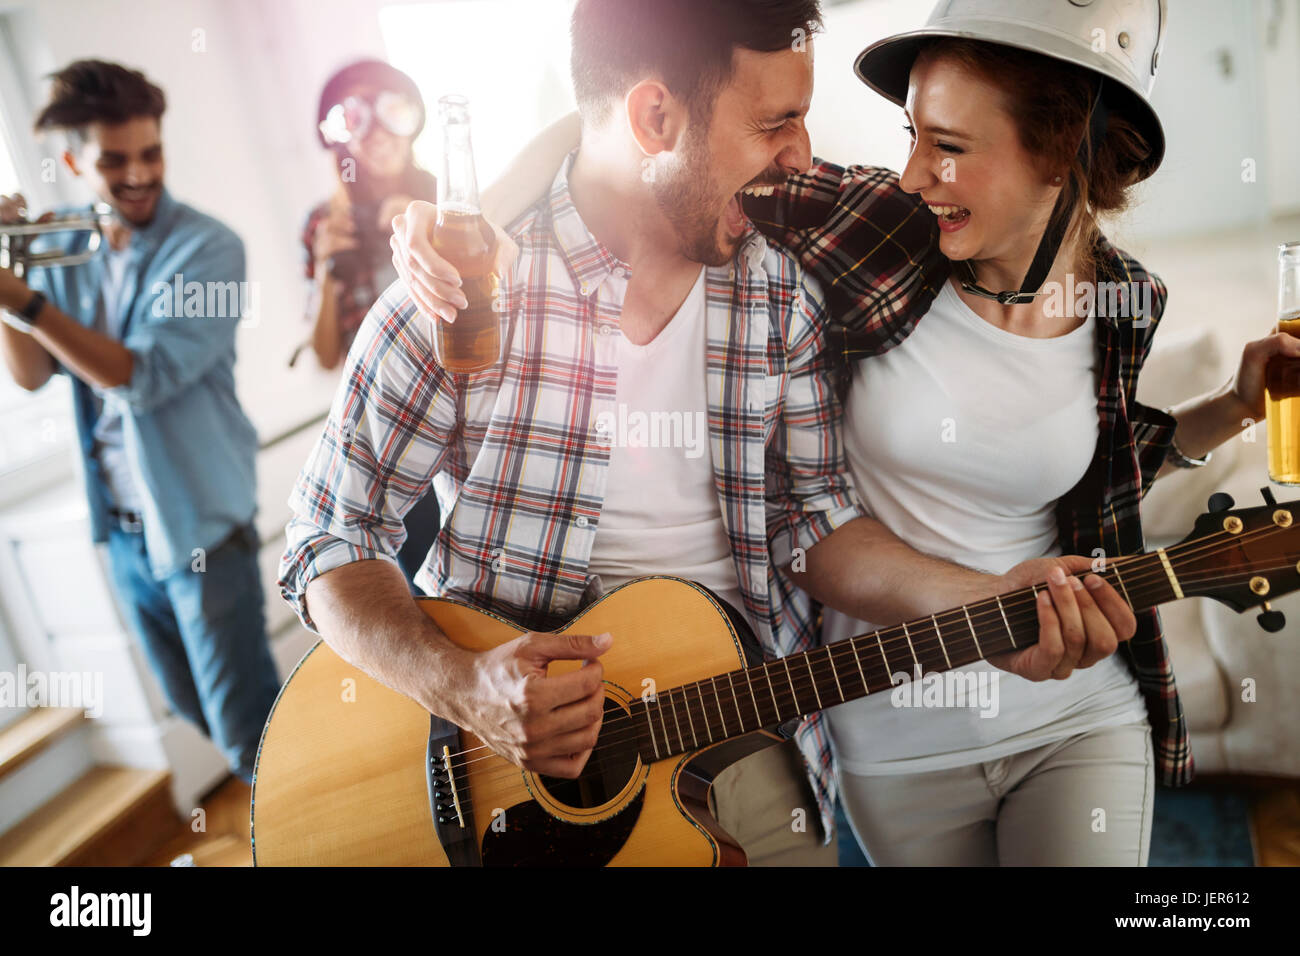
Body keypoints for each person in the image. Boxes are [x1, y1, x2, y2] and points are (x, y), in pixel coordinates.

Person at [383, 0, 1146, 862]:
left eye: (949, 146)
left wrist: (991, 603)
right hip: (502, 784)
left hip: (757, 739)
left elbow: (811, 519)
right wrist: (461, 685)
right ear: (656, 117)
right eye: (777, 121)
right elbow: (328, 537)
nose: (805, 156)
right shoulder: (458, 289)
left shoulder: (782, 284)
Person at [0, 60, 280, 783]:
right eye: (113, 160)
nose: (138, 174)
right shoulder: (67, 247)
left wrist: (26, 302)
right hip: (124, 532)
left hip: (201, 529)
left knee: (250, 735)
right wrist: (8, 289)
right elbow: (31, 374)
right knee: (195, 711)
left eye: (150, 153)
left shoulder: (210, 248)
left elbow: (139, 376)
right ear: (73, 162)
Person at [296, 59, 441, 592]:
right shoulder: (324, 222)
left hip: (457, 425)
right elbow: (325, 355)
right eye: (356, 116)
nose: (378, 131)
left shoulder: (448, 197)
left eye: (392, 107)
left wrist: (431, 229)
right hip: (379, 435)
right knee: (420, 593)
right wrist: (325, 272)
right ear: (339, 136)